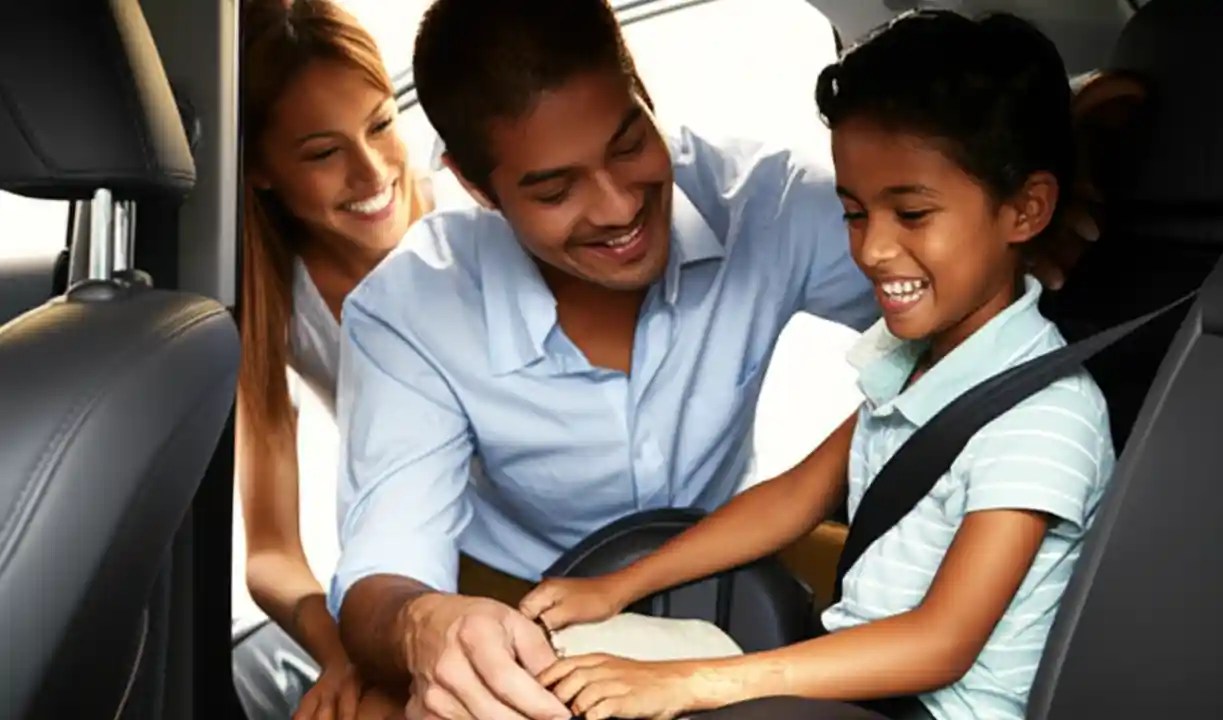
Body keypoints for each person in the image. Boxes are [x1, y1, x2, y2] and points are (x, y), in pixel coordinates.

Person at [329, 2, 1093, 718]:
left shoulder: (782, 212)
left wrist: (1097, 119)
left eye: (628, 144)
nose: (618, 206)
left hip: (832, 639)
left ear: (645, 94)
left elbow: (961, 220)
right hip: (527, 592)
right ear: (474, 186)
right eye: (556, 189)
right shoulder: (410, 311)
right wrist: (427, 631)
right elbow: (386, 573)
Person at [231, 1, 432, 718]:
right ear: (259, 171)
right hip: (409, 588)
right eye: (322, 153)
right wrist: (344, 652)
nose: (372, 170)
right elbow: (271, 553)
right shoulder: (274, 302)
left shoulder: (476, 229)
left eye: (381, 123)